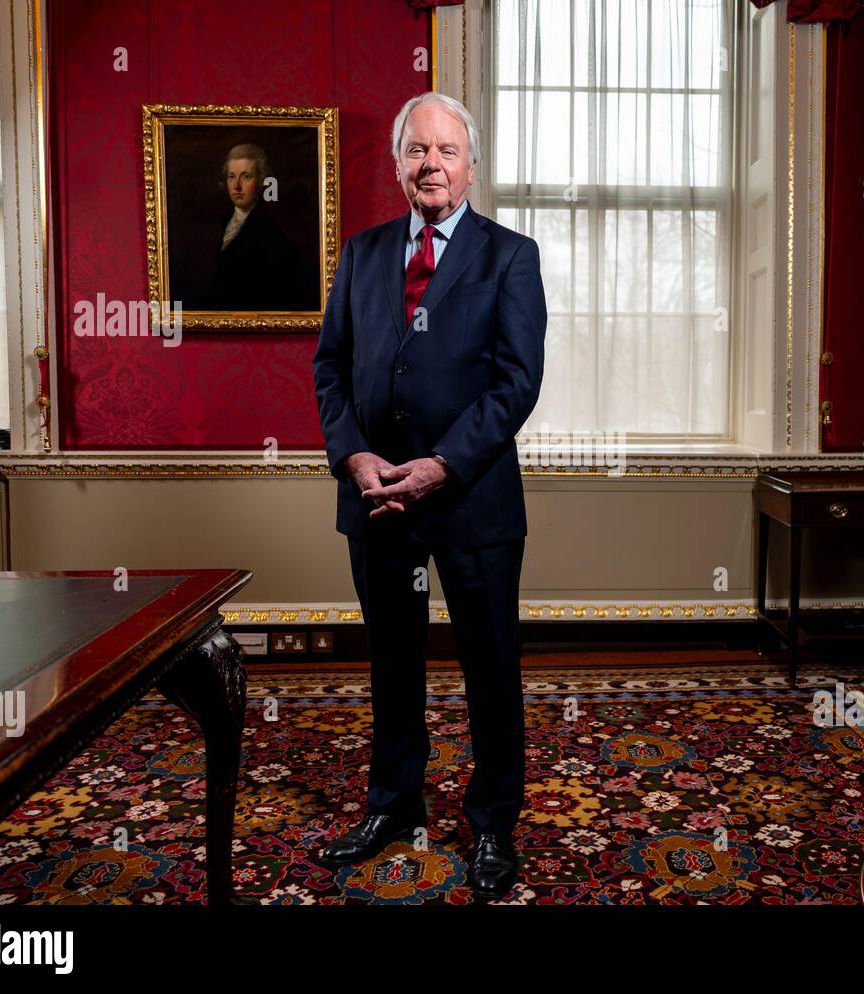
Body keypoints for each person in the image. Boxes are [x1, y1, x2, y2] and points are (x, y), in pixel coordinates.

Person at [311, 91, 546, 897]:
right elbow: (330, 369)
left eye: (447, 151)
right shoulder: (363, 253)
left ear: (471, 166)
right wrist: (352, 457)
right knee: (393, 663)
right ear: (398, 165)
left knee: (489, 666)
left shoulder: (510, 256)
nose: (431, 164)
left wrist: (444, 464)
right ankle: (392, 803)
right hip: (377, 499)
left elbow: (517, 385)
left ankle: (493, 823)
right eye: (417, 151)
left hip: (472, 498)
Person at [197, 143, 313, 311]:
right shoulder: (217, 223)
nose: (237, 186)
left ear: (261, 181)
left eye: (246, 176)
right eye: (231, 176)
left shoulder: (273, 237)